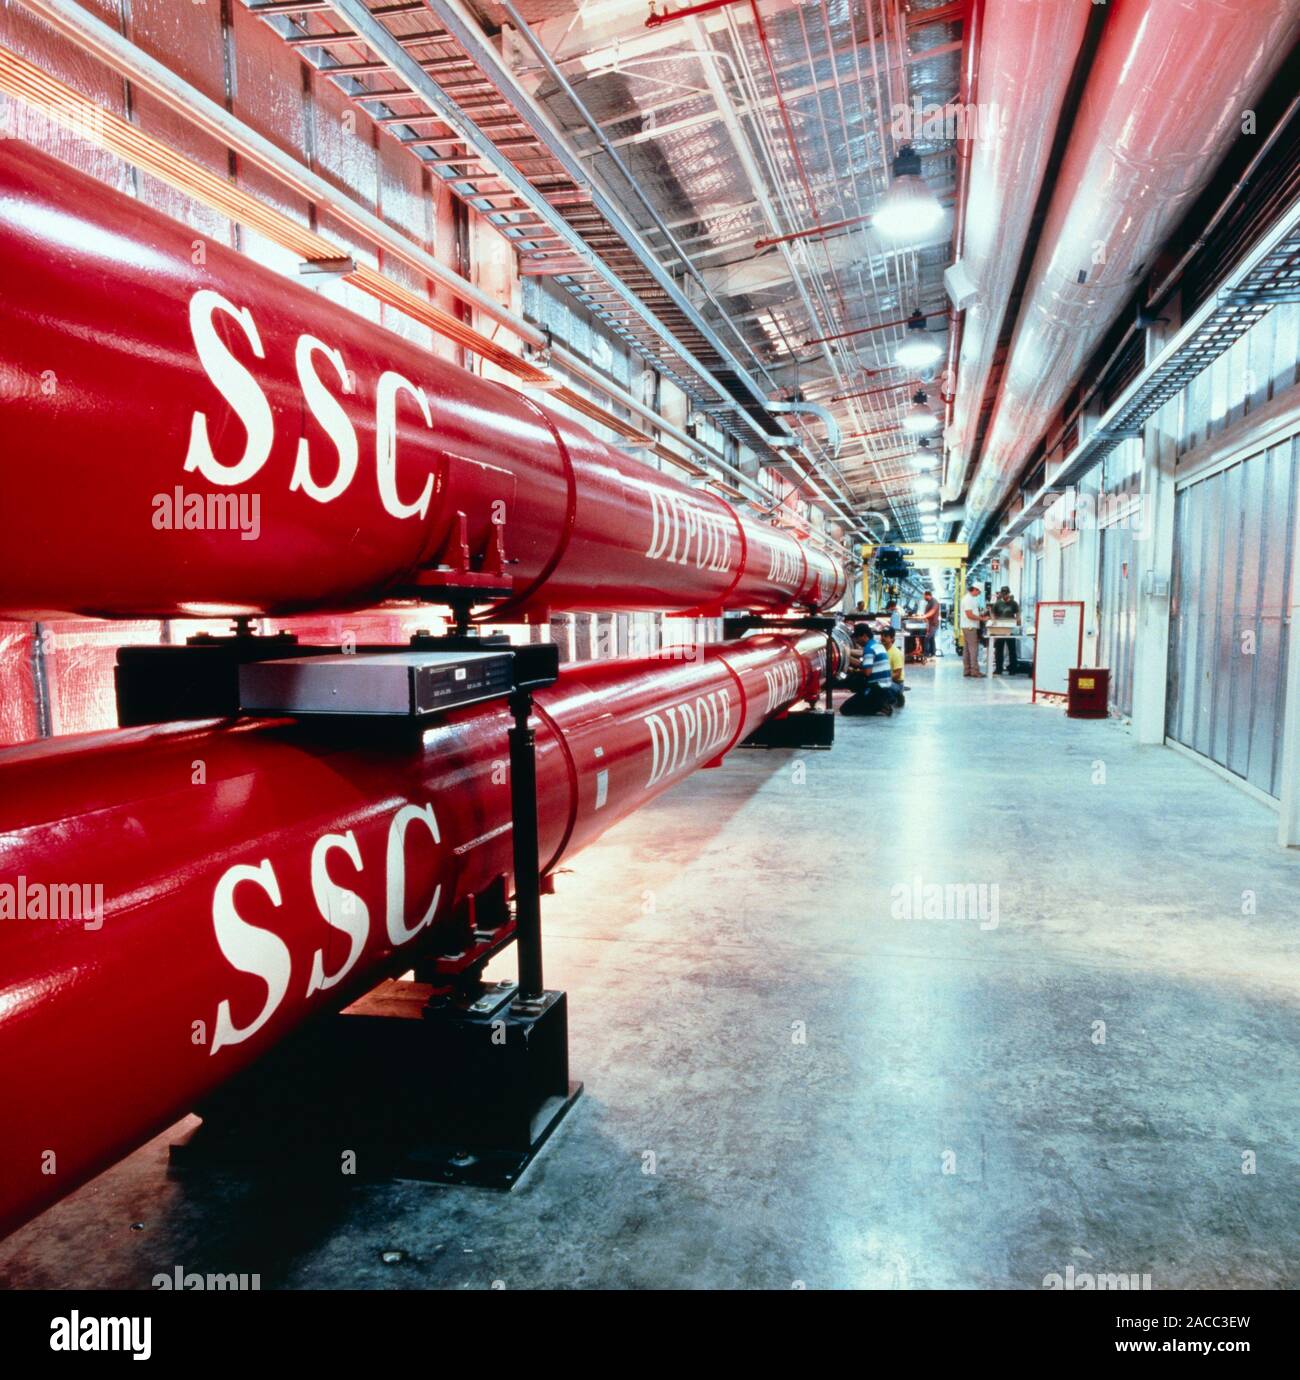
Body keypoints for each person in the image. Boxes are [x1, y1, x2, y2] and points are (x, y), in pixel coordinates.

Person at [841, 625, 897, 716]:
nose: (856, 641)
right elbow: (863, 660)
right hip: (886, 688)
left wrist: (853, 671)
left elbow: (867, 672)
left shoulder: (869, 649)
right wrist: (848, 654)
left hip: (876, 689)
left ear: (864, 636)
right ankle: (876, 703)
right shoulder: (878, 645)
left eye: (857, 638)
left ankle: (877, 706)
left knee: (845, 710)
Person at [989, 586, 1021, 675]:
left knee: (1012, 649)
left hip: (1010, 629)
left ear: (1009, 593)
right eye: (1003, 594)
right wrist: (994, 621)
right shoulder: (998, 603)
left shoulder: (1013, 603)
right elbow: (992, 613)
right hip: (1000, 629)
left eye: (1006, 594)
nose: (1005, 595)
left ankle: (1013, 669)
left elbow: (1017, 613)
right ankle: (999, 669)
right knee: (999, 649)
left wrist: (1018, 623)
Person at [960, 579, 988, 678]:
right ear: (975, 589)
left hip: (967, 626)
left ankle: (967, 670)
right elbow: (969, 615)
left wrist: (980, 615)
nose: (979, 594)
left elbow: (972, 613)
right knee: (973, 650)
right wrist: (982, 618)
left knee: (967, 650)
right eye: (979, 592)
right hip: (970, 627)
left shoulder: (969, 598)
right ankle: (975, 671)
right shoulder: (968, 599)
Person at [881, 629, 906, 709]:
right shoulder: (881, 650)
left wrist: (882, 678)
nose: (882, 638)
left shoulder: (896, 653)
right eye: (882, 635)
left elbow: (897, 674)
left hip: (896, 684)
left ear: (892, 639)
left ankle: (896, 696)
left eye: (886, 636)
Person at [920, 591, 941, 659]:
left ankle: (926, 654)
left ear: (928, 595)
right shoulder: (929, 602)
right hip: (930, 623)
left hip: (933, 624)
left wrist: (925, 616)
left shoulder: (934, 601)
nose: (924, 597)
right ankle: (933, 653)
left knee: (927, 638)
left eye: (924, 596)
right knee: (931, 638)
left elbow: (933, 611)